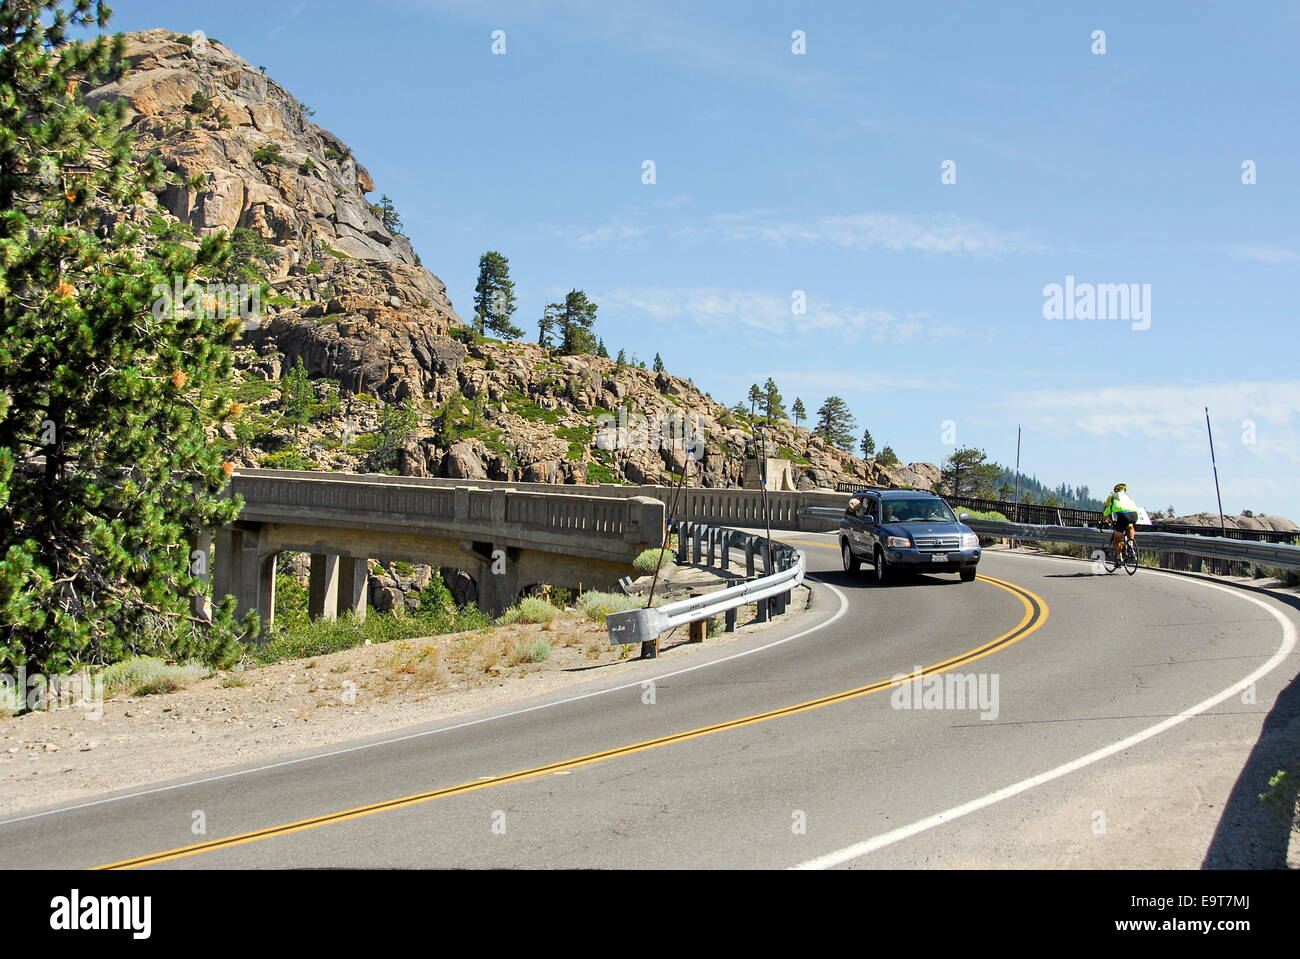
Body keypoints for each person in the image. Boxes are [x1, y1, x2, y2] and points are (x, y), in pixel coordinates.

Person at [1101, 483, 1141, 557]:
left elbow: (1106, 510)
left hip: (1123, 515)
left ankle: (1119, 558)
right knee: (1130, 526)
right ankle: (1130, 544)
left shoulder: (1112, 496)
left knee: (1117, 539)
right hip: (1135, 514)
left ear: (1116, 490)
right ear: (1124, 490)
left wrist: (1105, 520)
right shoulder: (1129, 496)